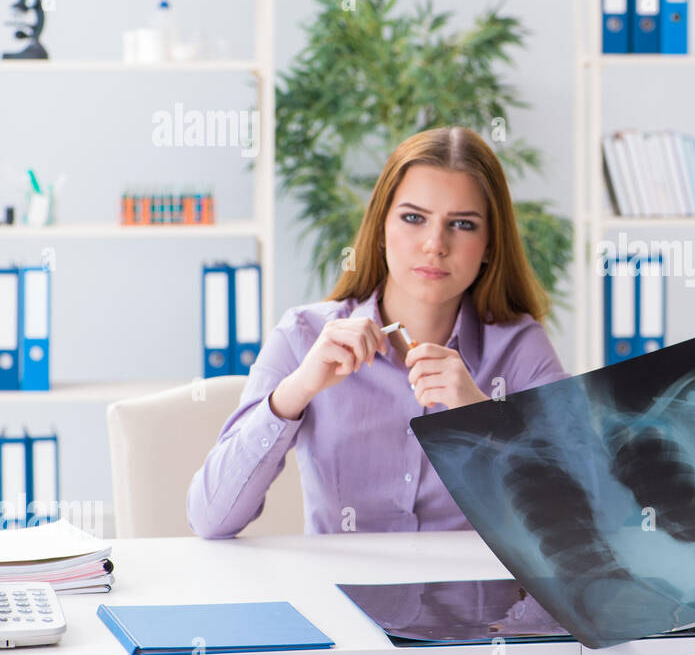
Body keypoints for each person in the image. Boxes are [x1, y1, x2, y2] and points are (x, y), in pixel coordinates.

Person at [187, 127, 568, 538]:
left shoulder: (519, 347)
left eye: (462, 224)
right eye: (413, 218)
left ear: (490, 244)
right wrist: (295, 392)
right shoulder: (303, 335)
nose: (435, 244)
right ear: (381, 227)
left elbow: (577, 516)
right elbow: (210, 520)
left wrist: (482, 418)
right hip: (337, 580)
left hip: (470, 582)